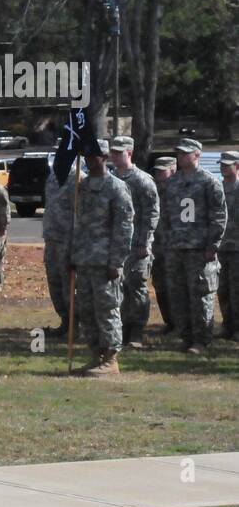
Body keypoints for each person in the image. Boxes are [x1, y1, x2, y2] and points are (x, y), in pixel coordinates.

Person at [69, 140, 134, 375]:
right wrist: (73, 255)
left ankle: (111, 358)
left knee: (107, 309)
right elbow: (79, 223)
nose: (88, 159)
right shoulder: (83, 186)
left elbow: (124, 227)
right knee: (87, 311)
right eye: (86, 155)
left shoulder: (116, 187)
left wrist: (117, 260)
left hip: (105, 260)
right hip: (85, 259)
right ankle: (95, 354)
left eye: (94, 155)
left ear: (105, 157)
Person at [162, 137, 227, 354]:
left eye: (185, 153)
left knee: (200, 295)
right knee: (178, 295)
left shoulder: (209, 182)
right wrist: (167, 240)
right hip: (176, 247)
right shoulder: (172, 182)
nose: (180, 157)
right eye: (178, 153)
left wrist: (213, 245)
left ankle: (202, 340)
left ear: (197, 155)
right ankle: (186, 336)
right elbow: (166, 214)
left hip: (199, 249)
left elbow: (219, 215)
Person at [109, 136, 159, 348]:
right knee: (117, 288)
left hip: (137, 245)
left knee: (136, 287)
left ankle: (136, 331)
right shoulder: (110, 178)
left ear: (129, 153)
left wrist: (144, 243)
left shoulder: (142, 180)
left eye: (118, 152)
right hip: (116, 246)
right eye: (112, 152)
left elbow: (151, 213)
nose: (114, 155)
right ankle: (120, 329)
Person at [42, 167, 78, 337]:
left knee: (69, 286)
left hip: (68, 240)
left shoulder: (78, 177)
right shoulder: (52, 176)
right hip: (51, 238)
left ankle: (76, 325)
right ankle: (65, 321)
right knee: (54, 283)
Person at [150, 156, 177, 336]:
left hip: (175, 247)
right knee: (159, 285)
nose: (159, 174)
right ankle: (169, 321)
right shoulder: (153, 190)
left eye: (162, 170)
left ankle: (180, 323)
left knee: (176, 286)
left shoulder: (180, 190)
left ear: (173, 170)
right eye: (157, 171)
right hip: (156, 246)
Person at [219, 151, 239, 340]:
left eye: (228, 164)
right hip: (220, 247)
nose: (223, 167)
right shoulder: (218, 188)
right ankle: (228, 325)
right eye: (222, 164)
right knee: (222, 289)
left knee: (237, 289)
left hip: (237, 248)